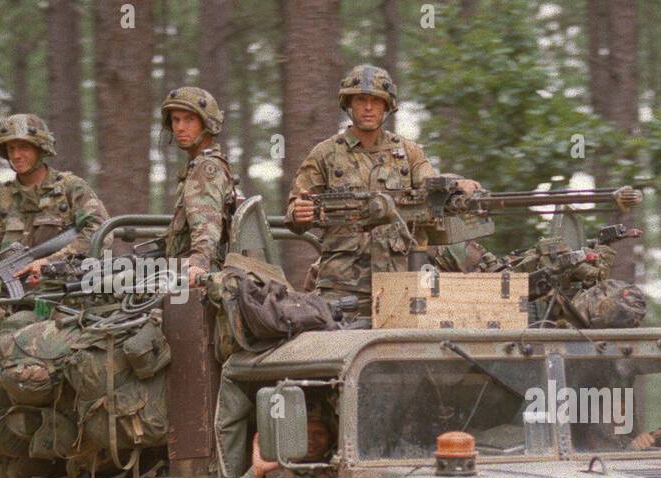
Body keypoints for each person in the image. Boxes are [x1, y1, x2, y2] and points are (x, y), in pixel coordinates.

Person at [284, 64, 481, 319]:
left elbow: (432, 188)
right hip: (342, 284)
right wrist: (299, 215)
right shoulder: (325, 154)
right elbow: (295, 210)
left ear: (387, 106)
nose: (368, 107)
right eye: (361, 100)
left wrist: (457, 186)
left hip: (398, 280)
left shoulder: (408, 153)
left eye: (376, 101)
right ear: (349, 104)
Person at [0, 114, 108, 305]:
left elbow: (102, 233)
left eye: (24, 147)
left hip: (64, 297)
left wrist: (50, 261)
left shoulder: (71, 188)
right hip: (9, 302)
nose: (16, 155)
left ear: (41, 148)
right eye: (11, 149)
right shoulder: (0, 201)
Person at [160, 87, 237, 289]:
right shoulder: (196, 166)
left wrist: (199, 264)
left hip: (197, 280)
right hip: (183, 275)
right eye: (175, 120)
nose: (180, 128)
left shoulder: (206, 168)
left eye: (189, 120)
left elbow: (206, 222)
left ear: (207, 124)